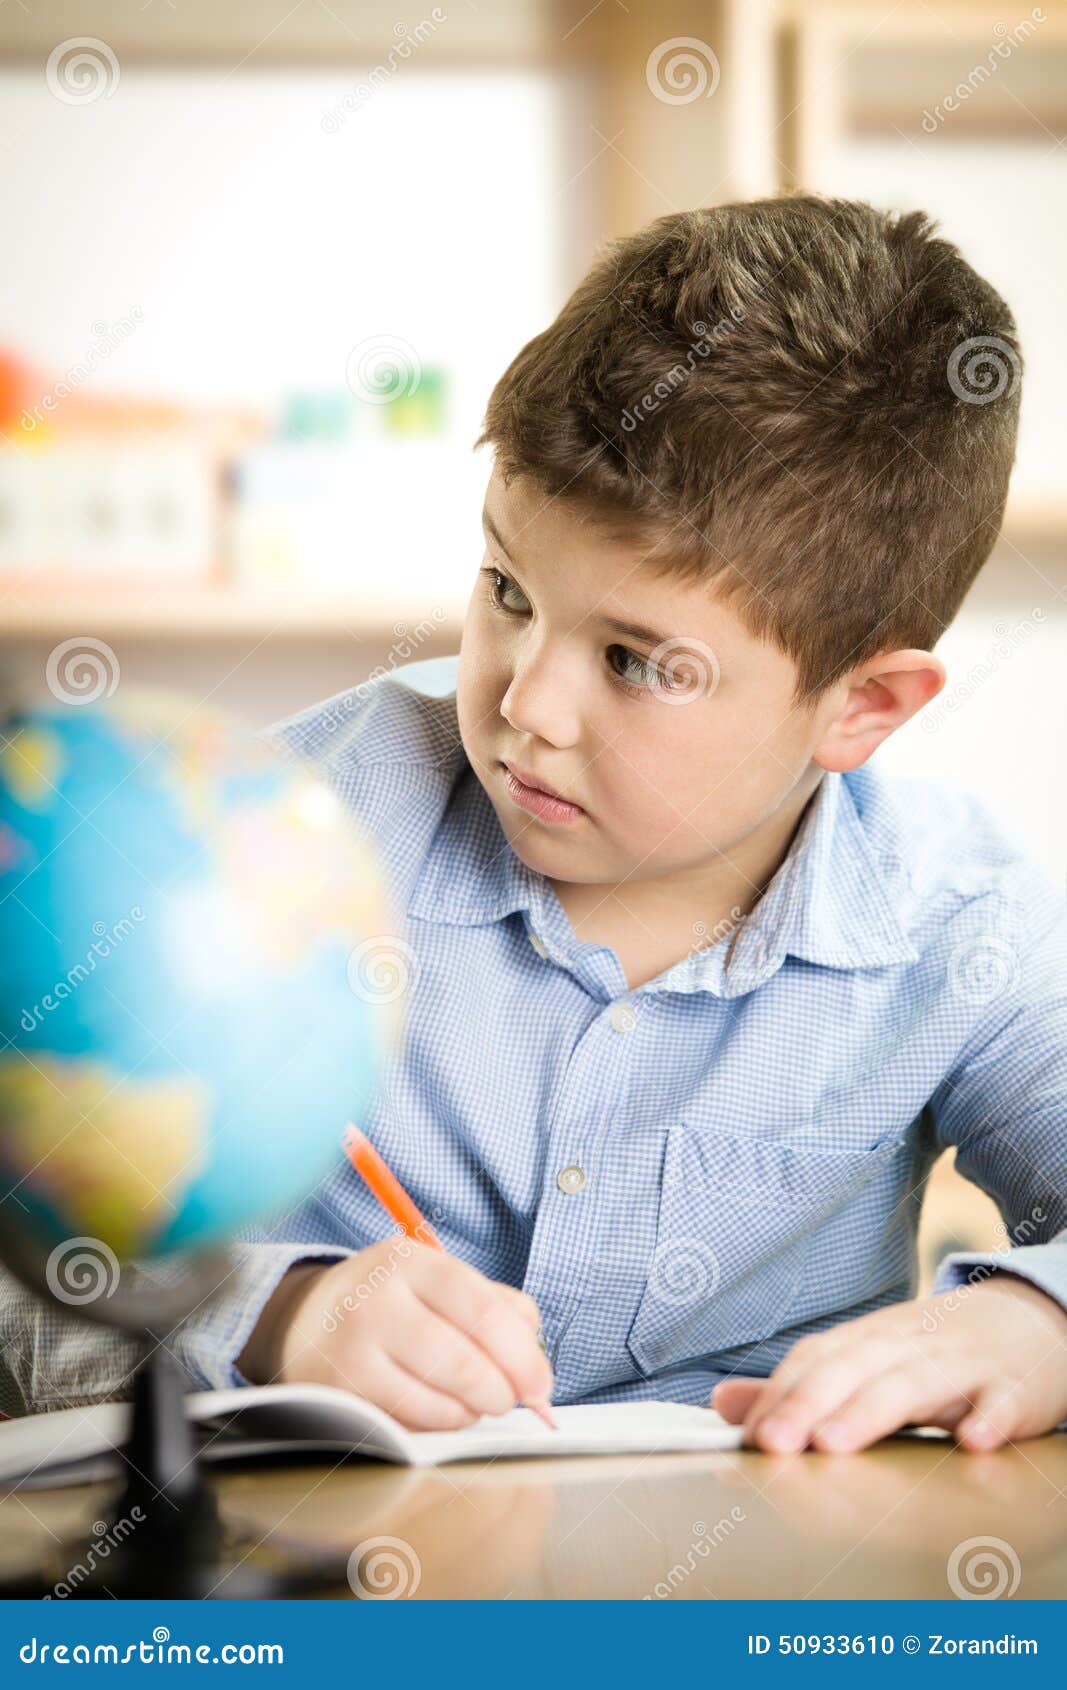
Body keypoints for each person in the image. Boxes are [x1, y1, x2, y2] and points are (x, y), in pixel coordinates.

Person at [4, 195, 1064, 1453]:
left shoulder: (955, 922)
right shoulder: (258, 842)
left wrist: (1032, 1323)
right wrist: (276, 1312)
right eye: (507, 589)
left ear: (861, 707)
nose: (523, 700)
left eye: (632, 660)